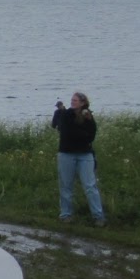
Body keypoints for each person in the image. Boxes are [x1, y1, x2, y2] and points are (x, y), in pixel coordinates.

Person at [51, 91, 105, 226]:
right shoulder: (66, 114)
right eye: (72, 100)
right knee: (66, 185)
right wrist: (83, 135)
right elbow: (68, 132)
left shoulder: (88, 116)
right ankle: (66, 215)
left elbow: (92, 134)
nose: (72, 102)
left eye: (75, 100)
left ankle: (98, 216)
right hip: (67, 153)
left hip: (85, 154)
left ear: (82, 103)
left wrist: (83, 132)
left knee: (90, 185)